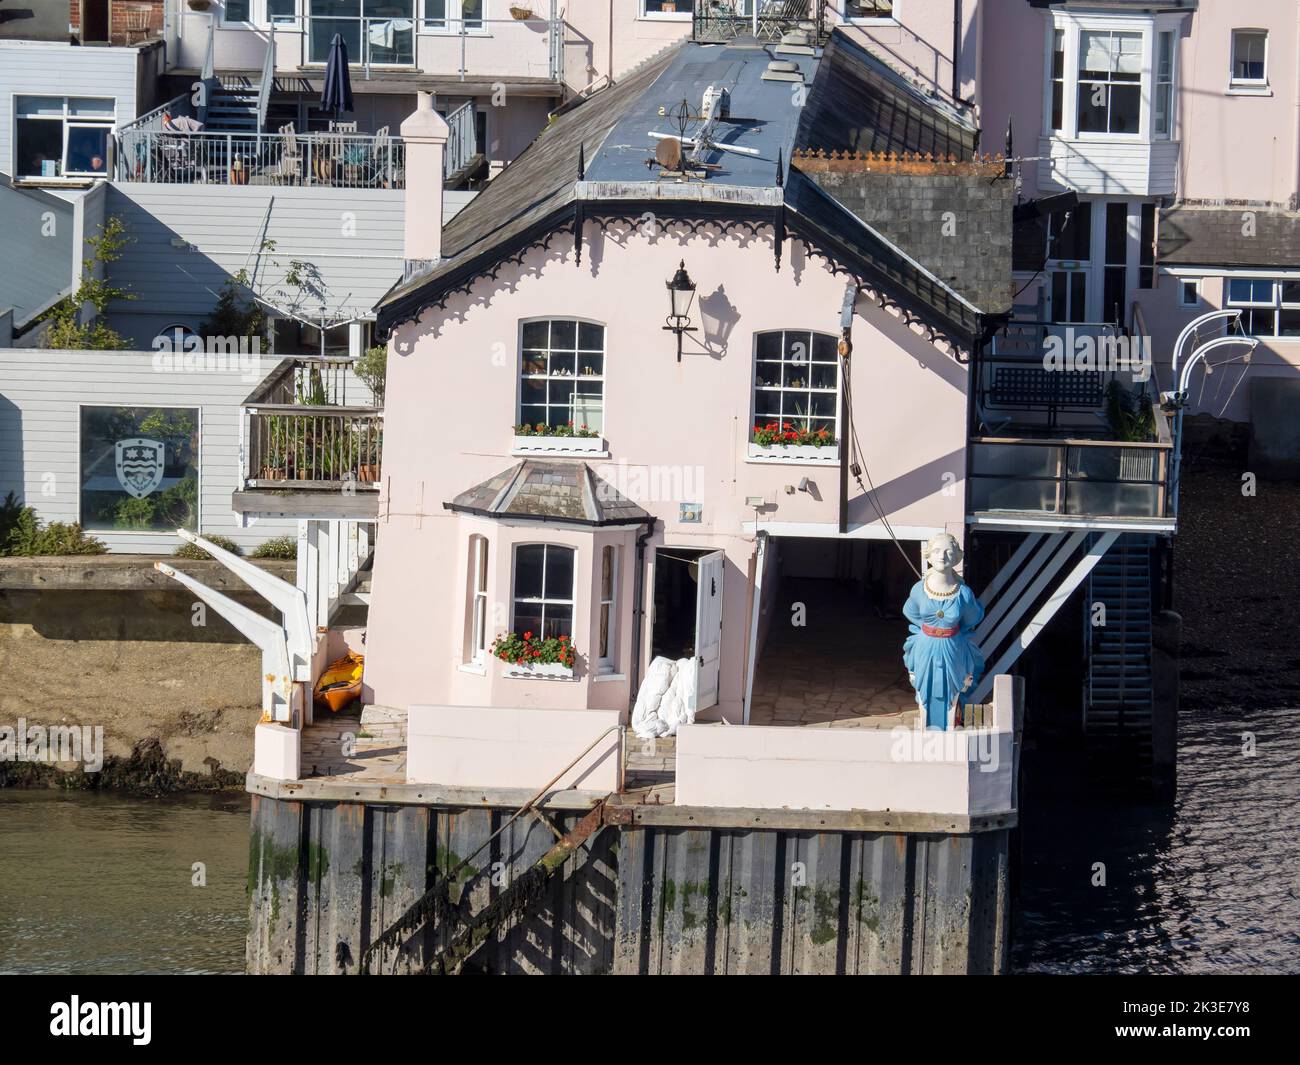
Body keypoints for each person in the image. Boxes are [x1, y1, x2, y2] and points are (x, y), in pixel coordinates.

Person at [902, 532, 985, 730]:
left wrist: (951, 630)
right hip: (925, 646)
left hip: (952, 646)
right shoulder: (919, 589)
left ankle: (949, 726)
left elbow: (973, 617)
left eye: (949, 552)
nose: (942, 556)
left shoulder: (963, 593)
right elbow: (910, 612)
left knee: (952, 690)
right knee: (925, 689)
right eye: (937, 551)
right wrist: (929, 629)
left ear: (957, 558)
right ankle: (927, 727)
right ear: (929, 556)